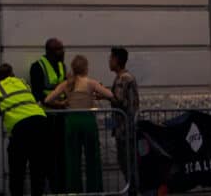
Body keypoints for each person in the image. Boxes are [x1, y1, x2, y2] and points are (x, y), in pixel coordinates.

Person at [46, 54, 114, 193]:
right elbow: (110, 95)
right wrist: (97, 94)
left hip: (71, 122)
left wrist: (62, 103)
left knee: (72, 159)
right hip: (87, 120)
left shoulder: (66, 84)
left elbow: (48, 100)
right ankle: (94, 190)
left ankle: (74, 190)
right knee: (92, 157)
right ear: (86, 68)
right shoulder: (90, 83)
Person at [0, 61, 51, 196]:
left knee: (17, 170)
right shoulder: (23, 83)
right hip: (41, 122)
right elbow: (35, 100)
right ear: (12, 74)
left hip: (21, 128)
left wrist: (3, 107)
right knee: (38, 169)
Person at [31, 41, 69, 187]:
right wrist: (57, 104)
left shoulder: (62, 66)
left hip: (60, 117)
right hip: (46, 118)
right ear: (50, 52)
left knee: (61, 154)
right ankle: (51, 185)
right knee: (47, 155)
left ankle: (60, 186)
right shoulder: (37, 67)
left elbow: (66, 88)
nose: (63, 52)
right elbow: (37, 93)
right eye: (59, 49)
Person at [109, 48, 140, 191]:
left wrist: (105, 95)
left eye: (111, 58)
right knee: (125, 161)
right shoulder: (121, 77)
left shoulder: (124, 78)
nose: (109, 61)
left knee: (126, 161)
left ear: (117, 60)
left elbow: (119, 101)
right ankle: (132, 189)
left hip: (126, 129)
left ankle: (132, 190)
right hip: (124, 128)